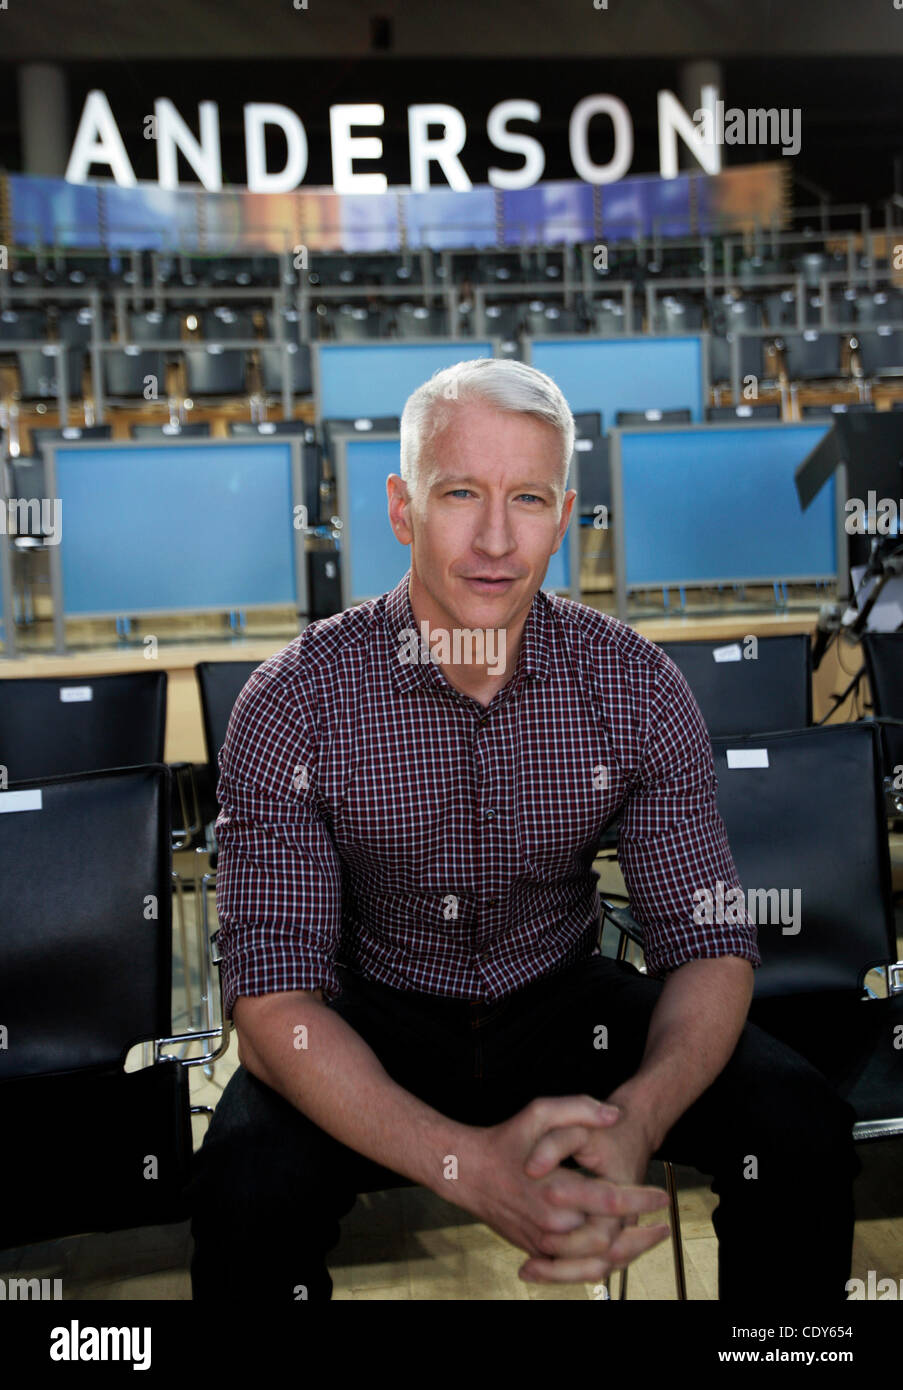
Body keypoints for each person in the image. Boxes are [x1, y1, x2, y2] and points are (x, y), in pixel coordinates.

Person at [187, 357, 859, 1301]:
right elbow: (271, 1008)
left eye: (529, 499)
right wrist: (468, 1164)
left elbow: (707, 943)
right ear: (400, 506)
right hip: (371, 1014)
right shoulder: (294, 698)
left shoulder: (633, 685)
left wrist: (636, 1117)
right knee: (244, 1186)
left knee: (800, 1123)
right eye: (460, 492)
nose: (496, 539)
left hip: (559, 1004)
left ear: (566, 513)